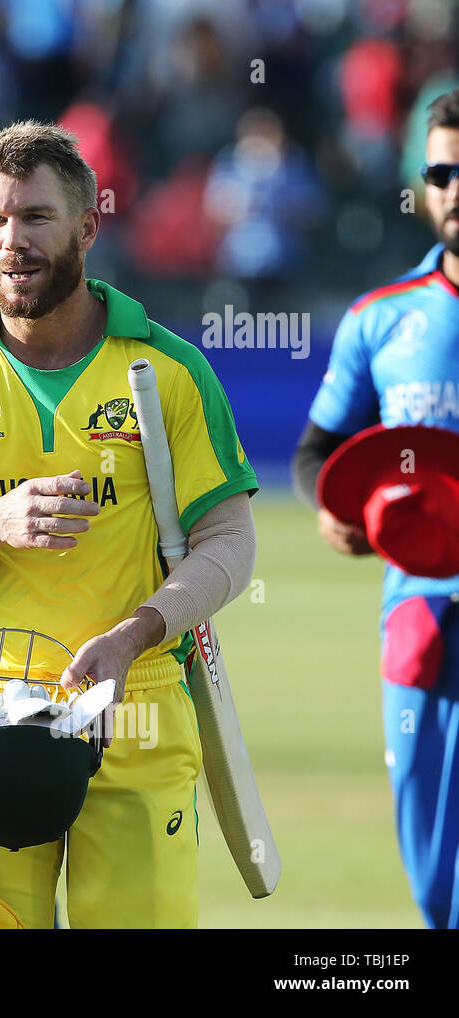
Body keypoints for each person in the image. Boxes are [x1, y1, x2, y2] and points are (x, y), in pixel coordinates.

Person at [0, 120, 258, 928]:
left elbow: (232, 542)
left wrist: (138, 633)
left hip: (133, 703)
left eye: (35, 218)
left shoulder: (167, 369)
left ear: (87, 226)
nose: (10, 242)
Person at [293, 88, 459, 930]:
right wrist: (336, 514)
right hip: (420, 621)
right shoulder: (381, 317)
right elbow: (317, 455)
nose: (457, 186)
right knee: (435, 887)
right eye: (441, 170)